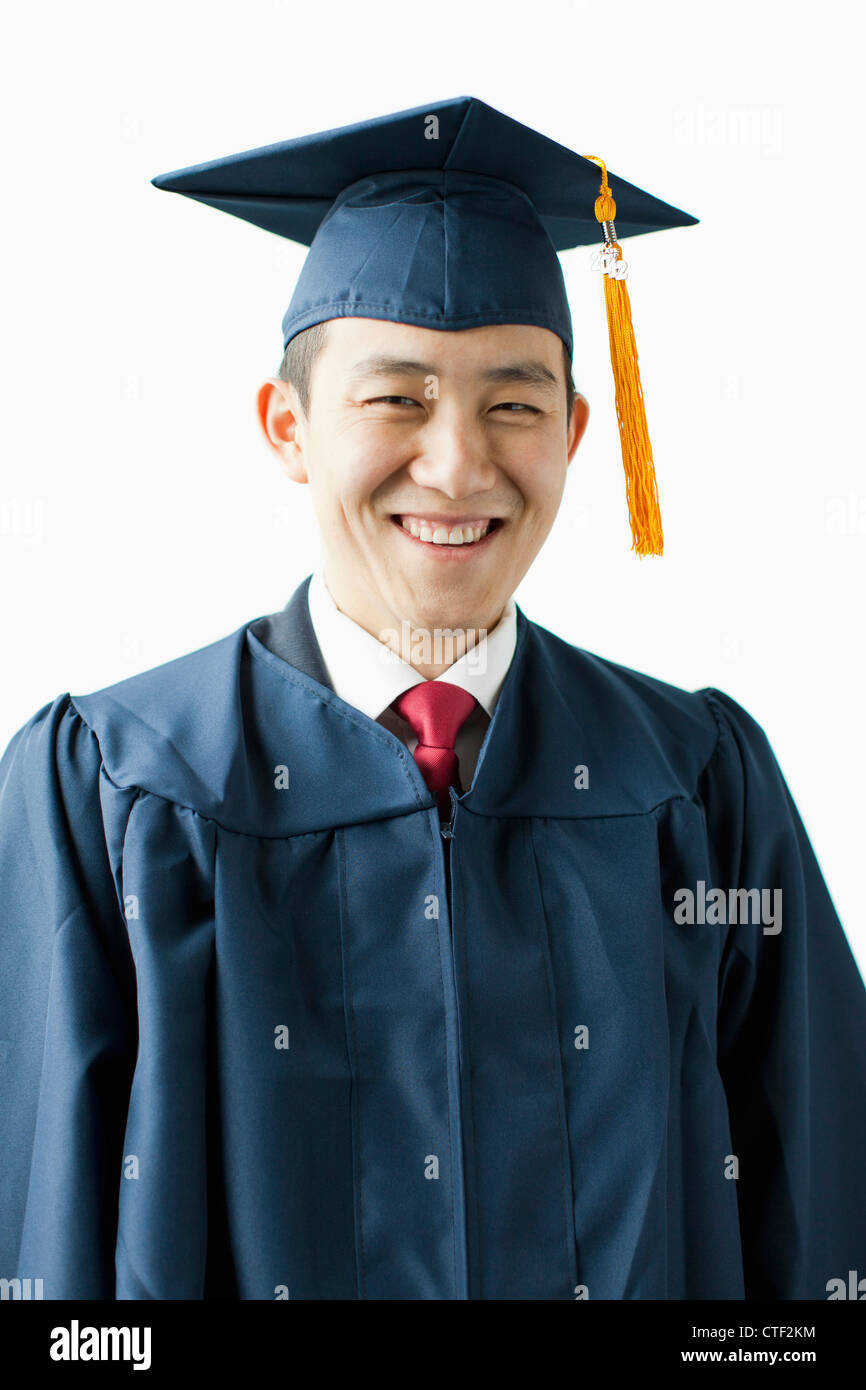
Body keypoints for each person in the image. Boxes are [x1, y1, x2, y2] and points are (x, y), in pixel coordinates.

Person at [1, 96, 864, 1302]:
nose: (456, 463)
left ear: (570, 430)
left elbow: (817, 1216)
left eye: (511, 404)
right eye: (395, 397)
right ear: (287, 426)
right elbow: (44, 1233)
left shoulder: (696, 787)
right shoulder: (115, 787)